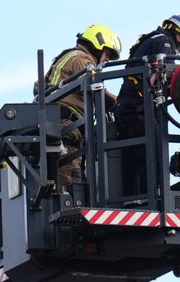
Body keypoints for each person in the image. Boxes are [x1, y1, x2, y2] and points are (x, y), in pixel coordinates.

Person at [114, 15, 180, 195]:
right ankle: (155, 199)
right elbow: (167, 78)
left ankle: (133, 200)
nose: (179, 50)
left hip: (126, 108)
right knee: (154, 155)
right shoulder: (164, 42)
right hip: (139, 108)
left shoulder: (149, 40)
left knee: (133, 158)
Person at [44, 24, 121, 191]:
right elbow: (95, 86)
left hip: (68, 129)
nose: (106, 59)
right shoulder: (81, 59)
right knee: (67, 182)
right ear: (96, 45)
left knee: (77, 180)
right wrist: (120, 103)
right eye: (107, 53)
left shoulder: (69, 56)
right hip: (65, 126)